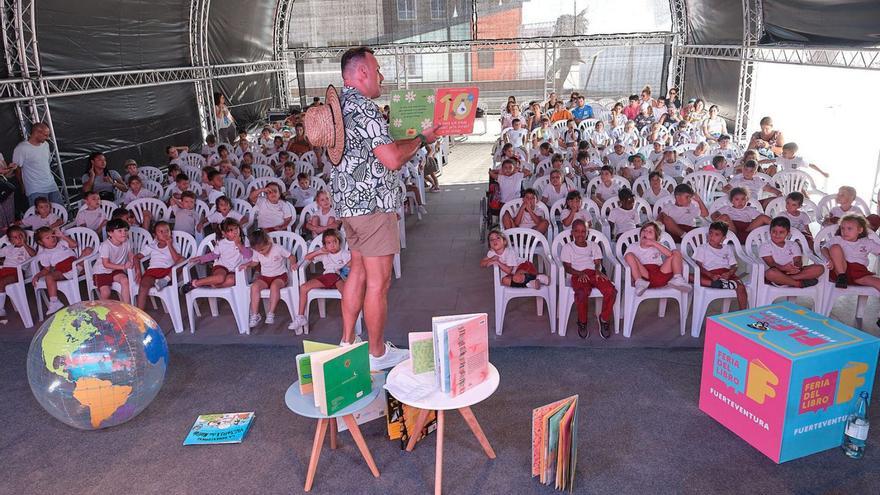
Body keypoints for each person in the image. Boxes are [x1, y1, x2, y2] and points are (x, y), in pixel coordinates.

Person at [325, 47, 441, 367]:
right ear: (361, 72)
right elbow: (390, 159)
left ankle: (347, 341)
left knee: (358, 273)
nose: (381, 76)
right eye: (377, 69)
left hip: (349, 206)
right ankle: (377, 353)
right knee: (379, 283)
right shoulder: (365, 109)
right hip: (373, 207)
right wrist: (422, 138)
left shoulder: (340, 108)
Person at [560, 219, 616, 339]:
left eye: (583, 231)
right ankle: (582, 322)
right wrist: (579, 273)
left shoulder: (593, 246)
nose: (580, 234)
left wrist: (597, 270)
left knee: (610, 290)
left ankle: (604, 319)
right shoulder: (568, 247)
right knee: (582, 293)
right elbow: (567, 267)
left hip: (593, 273)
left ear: (587, 232)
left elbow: (597, 262)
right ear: (572, 233)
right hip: (577, 274)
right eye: (577, 231)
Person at [292, 229, 352, 339]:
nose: (332, 245)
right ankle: (300, 317)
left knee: (345, 292)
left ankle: (349, 320)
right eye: (329, 243)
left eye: (335, 242)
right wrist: (320, 251)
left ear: (340, 242)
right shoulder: (324, 254)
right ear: (325, 245)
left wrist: (345, 267)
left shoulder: (345, 253)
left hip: (339, 278)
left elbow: (355, 262)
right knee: (304, 287)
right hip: (327, 277)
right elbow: (307, 258)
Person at [239, 229, 297, 328]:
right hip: (265, 277)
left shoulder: (277, 248)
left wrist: (293, 264)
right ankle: (255, 315)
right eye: (258, 251)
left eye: (262, 249)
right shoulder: (257, 252)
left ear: (269, 242)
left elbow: (291, 256)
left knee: (274, 286)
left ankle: (271, 313)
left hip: (280, 276)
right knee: (254, 287)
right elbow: (255, 262)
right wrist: (247, 265)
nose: (261, 252)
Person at [180, 218, 249, 293]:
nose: (235, 232)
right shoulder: (221, 243)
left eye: (236, 228)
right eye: (231, 230)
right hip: (222, 267)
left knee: (231, 280)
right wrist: (201, 258)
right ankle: (195, 283)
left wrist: (239, 245)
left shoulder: (244, 240)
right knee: (220, 278)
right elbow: (213, 255)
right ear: (224, 233)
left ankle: (212, 285)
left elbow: (249, 255)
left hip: (235, 270)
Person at [623, 222, 691, 296]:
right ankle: (638, 281)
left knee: (676, 252)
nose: (645, 233)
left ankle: (677, 278)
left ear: (656, 237)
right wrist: (634, 277)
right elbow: (627, 260)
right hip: (644, 276)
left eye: (650, 232)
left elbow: (670, 255)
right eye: (644, 230)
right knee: (629, 255)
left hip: (660, 274)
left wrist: (654, 243)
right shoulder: (633, 246)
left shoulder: (658, 245)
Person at [693, 222, 748, 309]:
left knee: (741, 287)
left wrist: (729, 273)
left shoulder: (727, 248)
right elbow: (698, 265)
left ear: (723, 238)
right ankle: (715, 283)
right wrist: (710, 275)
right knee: (689, 277)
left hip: (726, 274)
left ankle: (743, 312)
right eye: (710, 233)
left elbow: (734, 265)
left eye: (716, 234)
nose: (712, 236)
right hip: (709, 274)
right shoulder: (703, 248)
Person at [758, 216, 822, 289]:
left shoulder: (793, 244)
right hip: (778, 272)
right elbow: (771, 264)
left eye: (781, 232)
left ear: (788, 233)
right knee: (770, 273)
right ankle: (797, 283)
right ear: (770, 232)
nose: (777, 235)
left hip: (794, 272)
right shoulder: (765, 246)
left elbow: (798, 261)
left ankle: (786, 279)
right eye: (774, 231)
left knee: (820, 268)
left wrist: (795, 268)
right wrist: (783, 268)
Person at [33, 226, 85, 313]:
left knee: (88, 250)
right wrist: (37, 275)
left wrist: (63, 236)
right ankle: (54, 302)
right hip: (62, 271)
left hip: (75, 264)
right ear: (40, 242)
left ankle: (79, 270)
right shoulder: (44, 254)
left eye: (53, 236)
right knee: (49, 277)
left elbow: (74, 245)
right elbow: (46, 269)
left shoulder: (62, 243)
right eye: (48, 238)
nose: (52, 239)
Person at [822, 214, 880, 291]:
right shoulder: (837, 239)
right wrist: (828, 259)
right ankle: (842, 277)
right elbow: (824, 248)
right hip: (840, 271)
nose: (845, 231)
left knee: (877, 282)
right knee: (835, 247)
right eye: (842, 228)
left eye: (849, 229)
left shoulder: (866, 242)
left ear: (860, 230)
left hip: (859, 274)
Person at [135, 221, 183, 309]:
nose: (164, 234)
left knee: (182, 260)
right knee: (144, 284)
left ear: (170, 233)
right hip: (152, 271)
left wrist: (169, 245)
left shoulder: (174, 245)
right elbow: (136, 257)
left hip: (168, 272)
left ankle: (165, 280)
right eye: (161, 232)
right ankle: (139, 313)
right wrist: (138, 271)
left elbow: (177, 260)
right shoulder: (151, 246)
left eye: (167, 231)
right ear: (155, 235)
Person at [481, 228, 549, 289]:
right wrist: (491, 259)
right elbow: (482, 263)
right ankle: (530, 283)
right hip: (514, 273)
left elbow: (508, 270)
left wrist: (497, 262)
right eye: (491, 239)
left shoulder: (509, 252)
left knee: (517, 277)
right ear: (490, 246)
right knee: (504, 280)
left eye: (498, 238)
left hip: (524, 266)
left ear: (504, 242)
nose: (494, 240)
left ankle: (537, 277)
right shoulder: (492, 253)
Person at [12, 123, 62, 205]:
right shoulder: (21, 148)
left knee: (60, 212)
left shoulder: (46, 145)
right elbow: (17, 168)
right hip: (35, 188)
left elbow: (47, 163)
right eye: (45, 135)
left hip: (51, 185)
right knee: (40, 215)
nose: (48, 138)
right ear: (37, 132)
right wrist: (22, 185)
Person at [93, 219, 137, 302]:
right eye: (119, 231)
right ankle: (102, 308)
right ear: (110, 233)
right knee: (106, 292)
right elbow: (106, 264)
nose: (124, 233)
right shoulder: (106, 245)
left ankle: (126, 307)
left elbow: (130, 254)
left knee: (125, 280)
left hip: (115, 270)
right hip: (102, 271)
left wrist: (132, 260)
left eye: (125, 230)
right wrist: (123, 266)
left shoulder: (126, 242)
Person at [0, 226, 36, 316]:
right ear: (11, 241)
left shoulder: (27, 248)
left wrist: (24, 244)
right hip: (4, 270)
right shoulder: (8, 248)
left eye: (20, 235)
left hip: (16, 272)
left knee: (2, 283)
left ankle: (1, 309)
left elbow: (34, 255)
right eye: (15, 237)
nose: (19, 238)